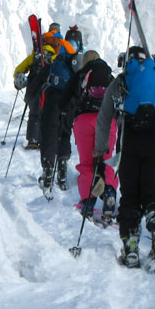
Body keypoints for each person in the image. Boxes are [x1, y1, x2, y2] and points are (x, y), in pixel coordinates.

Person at [93, 45, 155, 272]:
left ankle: (130, 246)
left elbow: (103, 120)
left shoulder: (119, 83)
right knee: (153, 193)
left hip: (128, 144)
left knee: (129, 197)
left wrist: (100, 153)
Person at [64, 50, 118, 222]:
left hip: (84, 121)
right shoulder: (109, 75)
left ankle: (87, 202)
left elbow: (68, 100)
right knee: (107, 160)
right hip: (107, 120)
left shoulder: (81, 75)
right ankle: (109, 194)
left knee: (87, 163)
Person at [38, 26, 81, 193]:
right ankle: (62, 170)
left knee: (49, 131)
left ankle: (47, 171)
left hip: (53, 96)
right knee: (65, 132)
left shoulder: (58, 55)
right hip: (70, 99)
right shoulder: (78, 58)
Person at [13, 44, 57, 149]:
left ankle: (32, 140)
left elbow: (18, 70)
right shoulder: (55, 57)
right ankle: (44, 141)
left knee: (34, 114)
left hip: (32, 90)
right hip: (47, 90)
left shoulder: (33, 57)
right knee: (47, 115)